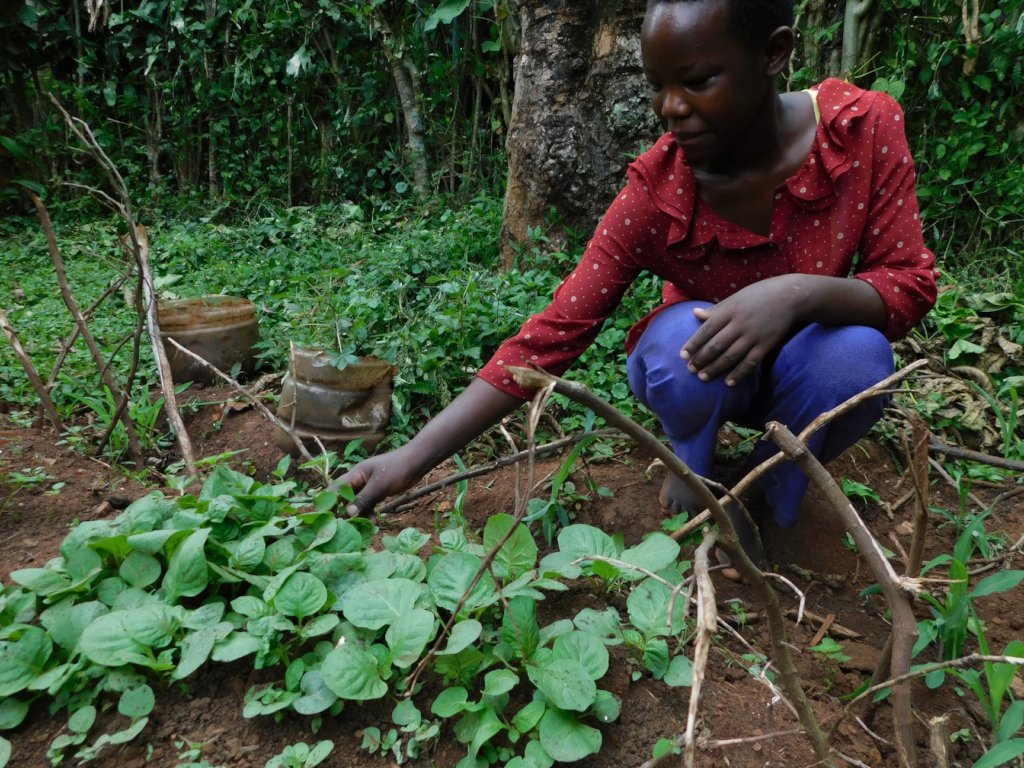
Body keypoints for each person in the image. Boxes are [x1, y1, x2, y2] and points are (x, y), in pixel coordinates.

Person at [337, 0, 937, 570]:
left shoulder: (861, 130)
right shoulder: (658, 192)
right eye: (657, 85)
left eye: (697, 81)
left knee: (860, 358)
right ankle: (696, 466)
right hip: (703, 373)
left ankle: (759, 490)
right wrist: (410, 459)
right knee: (678, 344)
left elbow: (907, 281)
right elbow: (551, 336)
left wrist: (794, 294)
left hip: (808, 372)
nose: (670, 107)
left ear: (773, 53)